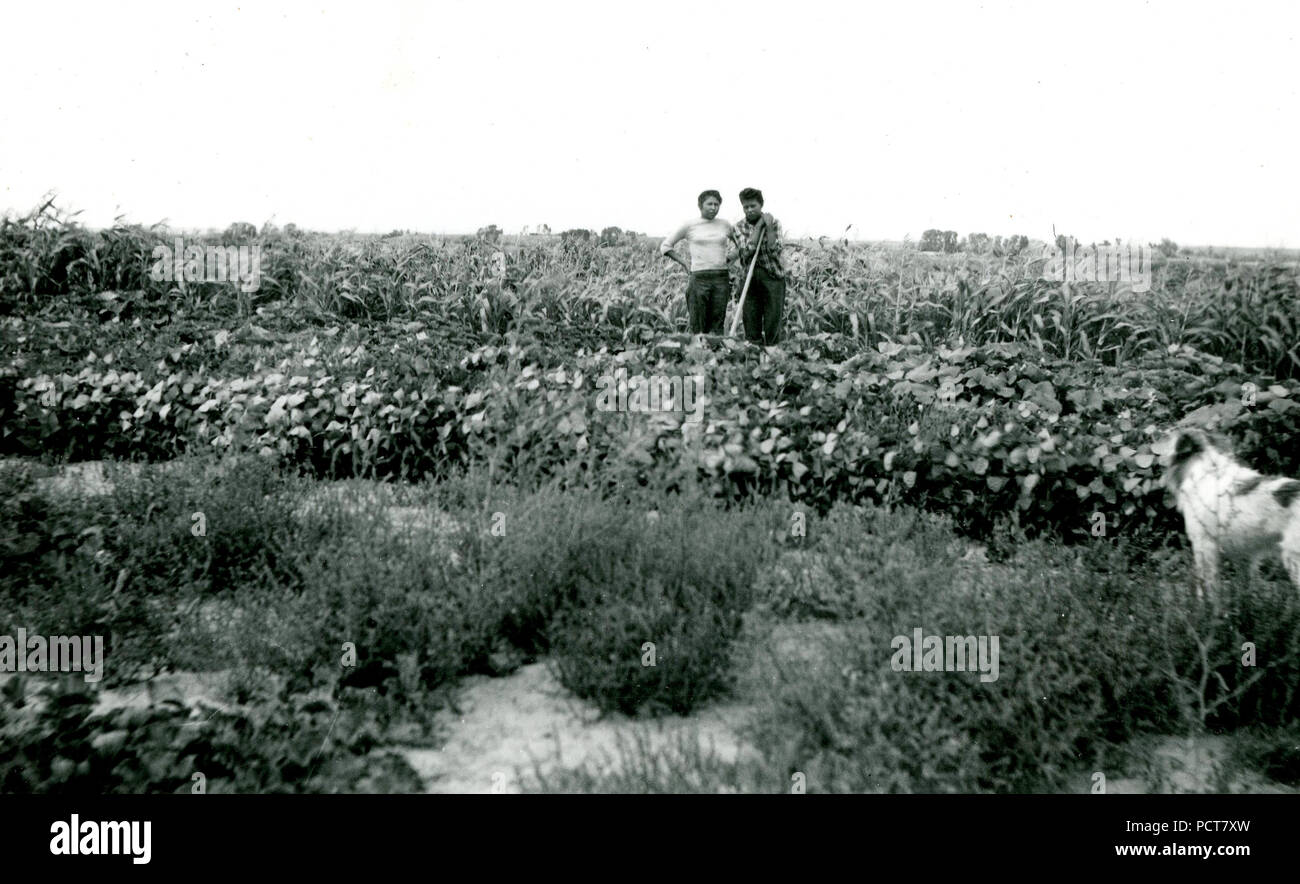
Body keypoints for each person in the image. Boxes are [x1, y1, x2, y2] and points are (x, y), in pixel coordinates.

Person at [660, 190, 736, 334]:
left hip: (721, 278)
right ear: (700, 205)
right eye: (710, 204)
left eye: (717, 204)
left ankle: (715, 354)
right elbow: (665, 246)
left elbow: (742, 246)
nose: (714, 207)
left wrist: (729, 258)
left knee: (717, 323)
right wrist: (684, 263)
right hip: (699, 278)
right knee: (698, 324)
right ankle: (698, 354)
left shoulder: (725, 224)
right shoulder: (690, 225)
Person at [732, 188, 787, 345]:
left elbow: (774, 250)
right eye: (746, 207)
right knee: (751, 319)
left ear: (761, 205)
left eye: (753, 206)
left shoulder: (774, 223)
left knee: (773, 321)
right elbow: (746, 252)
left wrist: (768, 227)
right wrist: (757, 228)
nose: (749, 210)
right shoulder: (739, 227)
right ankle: (753, 357)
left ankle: (772, 356)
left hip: (773, 277)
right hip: (749, 278)